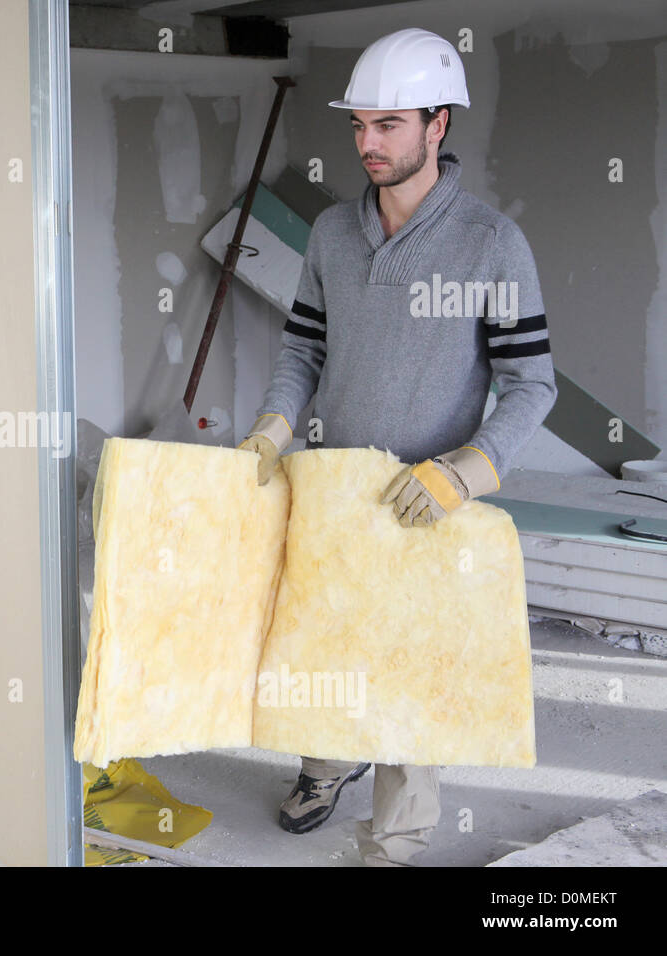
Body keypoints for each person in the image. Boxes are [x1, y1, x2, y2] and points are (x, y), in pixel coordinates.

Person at [237, 27, 557, 866]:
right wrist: (275, 422)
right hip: (337, 490)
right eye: (358, 126)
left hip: (426, 504)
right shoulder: (335, 237)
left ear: (437, 125)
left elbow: (533, 386)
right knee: (327, 638)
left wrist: (467, 473)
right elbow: (304, 346)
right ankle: (325, 766)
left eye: (387, 125)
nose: (368, 143)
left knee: (411, 671)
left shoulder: (491, 246)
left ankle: (397, 837)